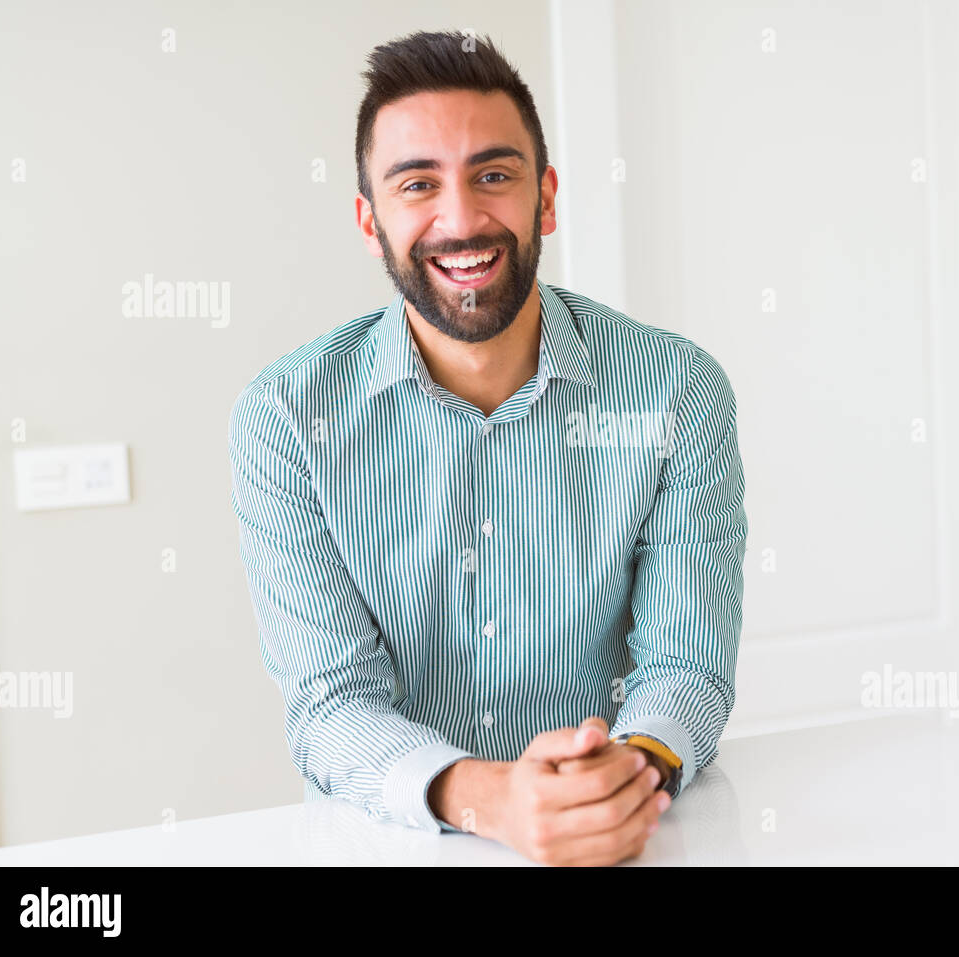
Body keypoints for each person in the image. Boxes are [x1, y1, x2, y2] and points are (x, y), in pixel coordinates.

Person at [227, 30, 747, 866]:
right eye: (418, 184)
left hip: (620, 837)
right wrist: (490, 798)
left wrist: (620, 776)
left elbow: (687, 665)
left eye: (493, 176)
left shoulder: (678, 390)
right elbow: (329, 704)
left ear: (545, 198)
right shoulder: (285, 418)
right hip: (389, 842)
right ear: (371, 219)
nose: (462, 218)